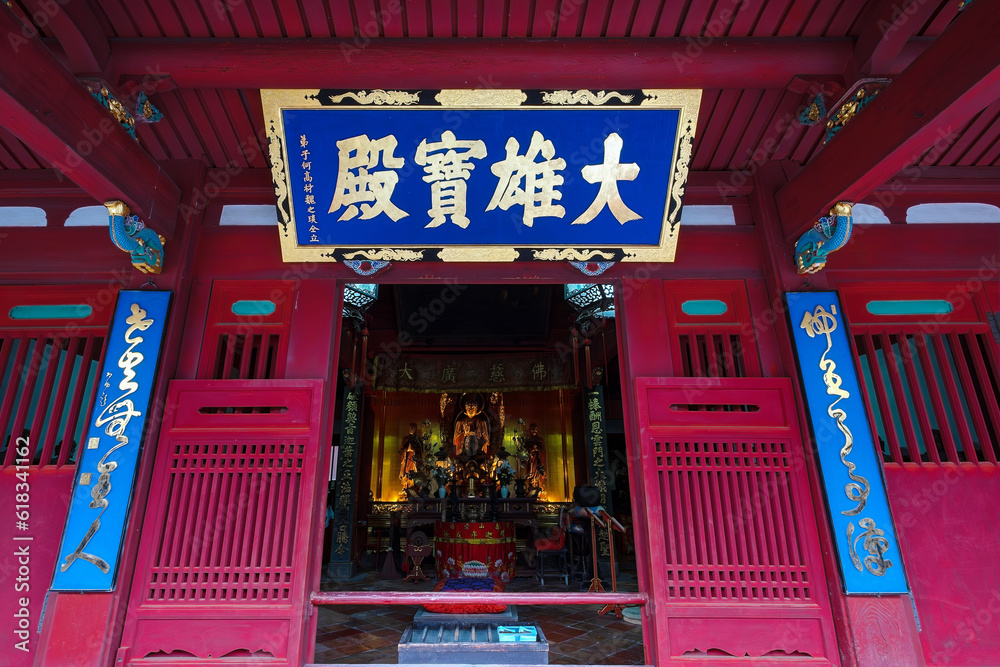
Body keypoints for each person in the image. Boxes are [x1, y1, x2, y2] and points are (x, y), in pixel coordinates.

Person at [452, 395, 490, 459]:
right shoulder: (460, 423)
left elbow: (486, 439)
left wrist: (482, 441)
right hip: (463, 454)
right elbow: (455, 441)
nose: (471, 410)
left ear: (477, 409)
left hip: (478, 453)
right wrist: (464, 434)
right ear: (465, 409)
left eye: (473, 408)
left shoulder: (481, 422)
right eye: (469, 408)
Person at [524, 423, 546, 492]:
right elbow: (525, 453)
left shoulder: (540, 440)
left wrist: (538, 450)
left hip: (538, 460)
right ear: (530, 430)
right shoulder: (528, 441)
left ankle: (540, 487)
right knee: (532, 473)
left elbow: (543, 452)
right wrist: (531, 450)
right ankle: (531, 486)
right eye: (532, 429)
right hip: (531, 461)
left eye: (535, 429)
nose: (534, 431)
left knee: (538, 473)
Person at [399, 423, 421, 487]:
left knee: (413, 472)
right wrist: (406, 450)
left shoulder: (418, 440)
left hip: (414, 459)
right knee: (407, 471)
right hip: (407, 458)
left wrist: (413, 450)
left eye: (413, 428)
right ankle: (406, 484)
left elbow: (420, 450)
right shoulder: (405, 439)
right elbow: (402, 450)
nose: (412, 429)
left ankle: (413, 485)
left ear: (416, 429)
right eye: (411, 428)